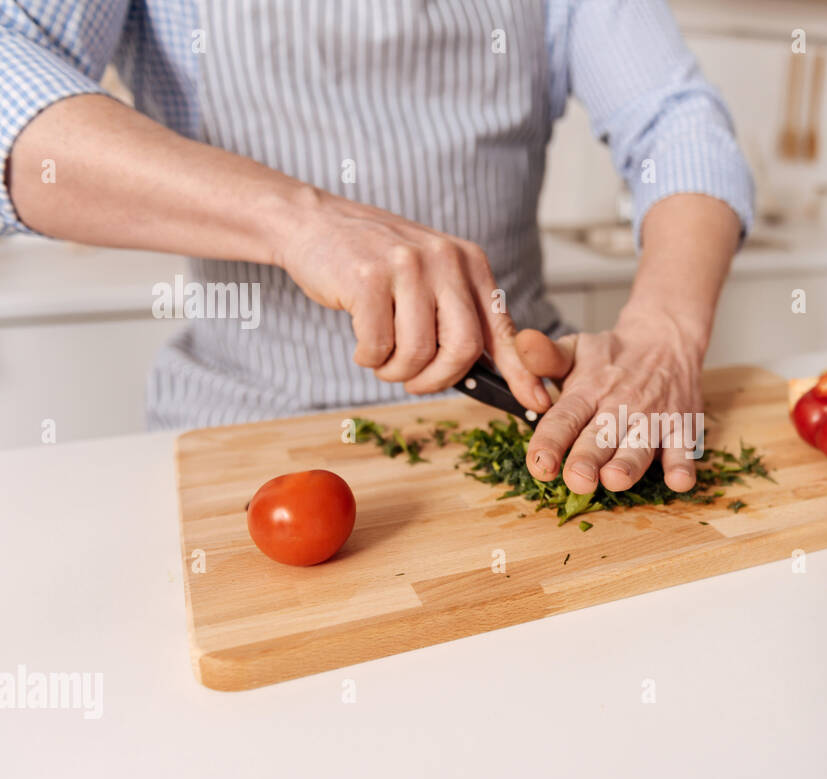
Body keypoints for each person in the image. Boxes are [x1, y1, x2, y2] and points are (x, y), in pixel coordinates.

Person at [0, 0, 753, 494]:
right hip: (242, 433)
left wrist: (665, 334)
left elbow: (677, 120)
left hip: (532, 420)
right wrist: (301, 222)